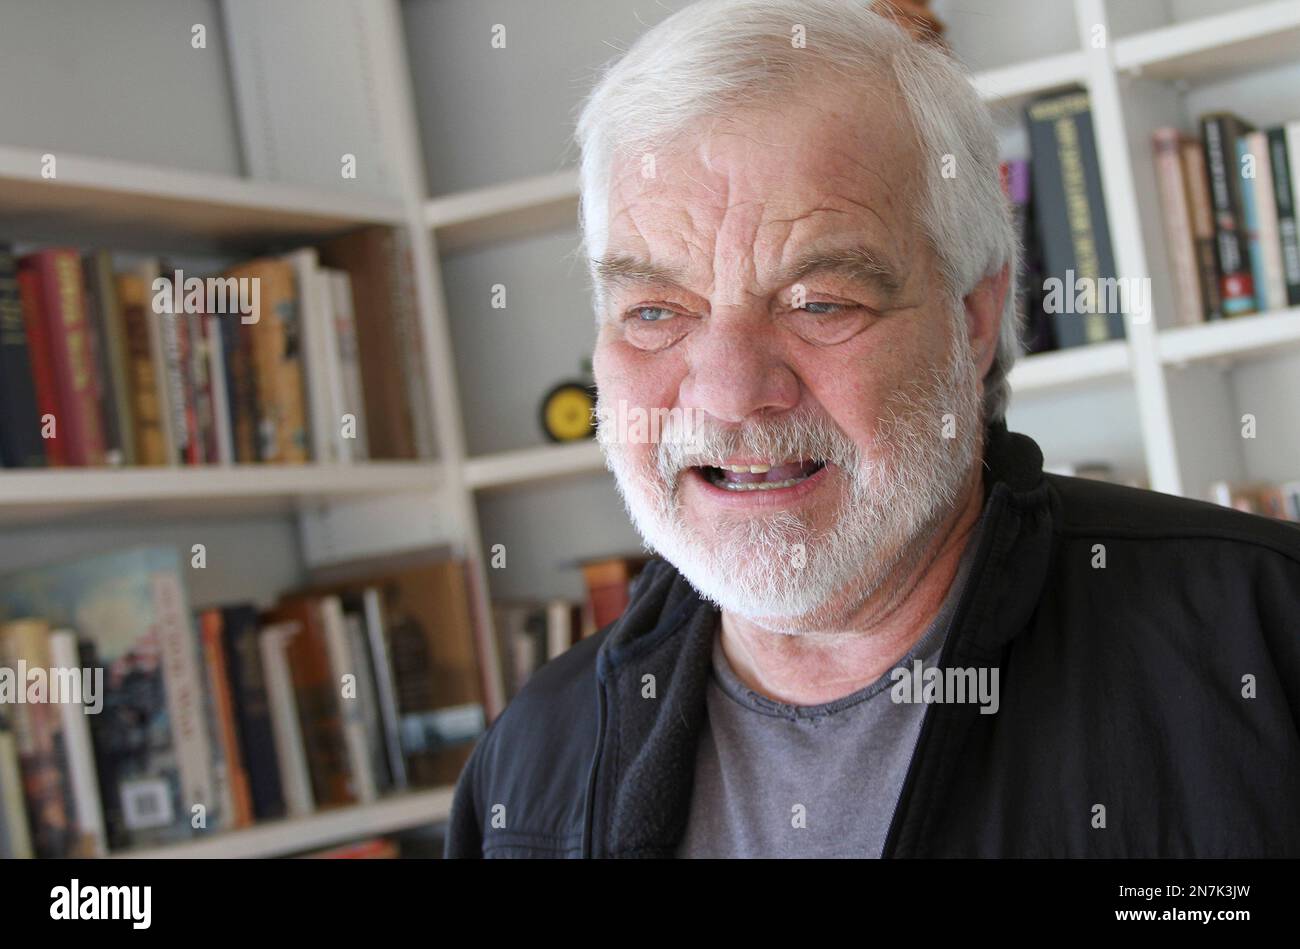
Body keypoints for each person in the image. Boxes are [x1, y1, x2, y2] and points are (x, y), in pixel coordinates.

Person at [445, 0, 1300, 858]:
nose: (732, 395)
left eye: (819, 302)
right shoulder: (528, 761)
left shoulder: (1266, 645)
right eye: (656, 310)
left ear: (972, 319)